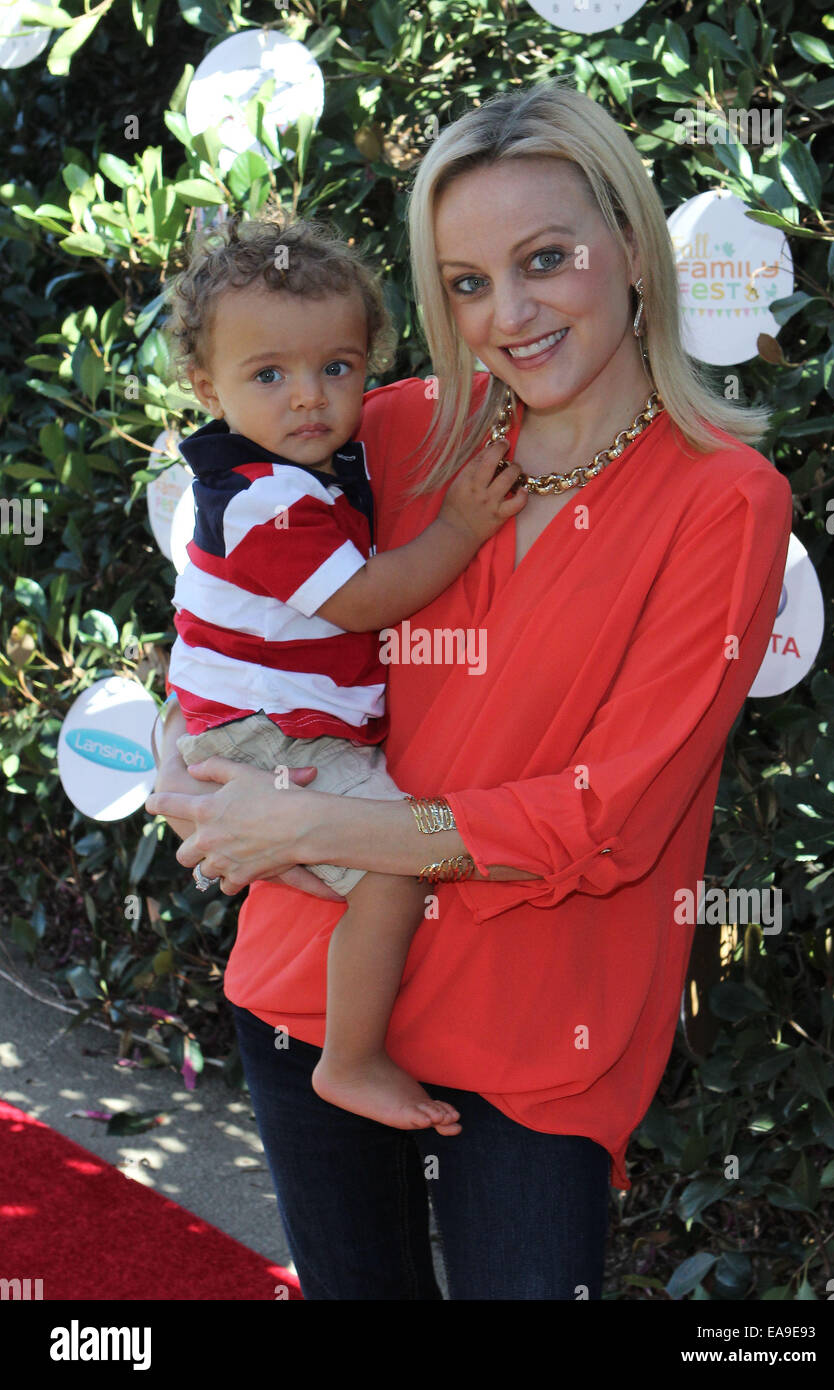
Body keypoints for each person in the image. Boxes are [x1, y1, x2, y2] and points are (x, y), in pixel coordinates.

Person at [146, 80, 792, 1301]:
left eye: (544, 258)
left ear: (633, 250)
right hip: (312, 991)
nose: (509, 313)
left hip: (535, 1043)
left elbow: (608, 818)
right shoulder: (391, 430)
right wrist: (191, 757)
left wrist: (317, 823)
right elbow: (241, 587)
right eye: (464, 281)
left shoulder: (723, 501)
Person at [158, 210, 524, 1134]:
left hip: (249, 717)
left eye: (339, 368)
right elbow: (363, 600)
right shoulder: (264, 496)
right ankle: (350, 1062)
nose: (310, 397)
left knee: (358, 869)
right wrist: (465, 528)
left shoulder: (303, 468)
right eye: (269, 375)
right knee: (393, 873)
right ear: (207, 387)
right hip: (264, 733)